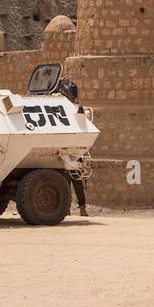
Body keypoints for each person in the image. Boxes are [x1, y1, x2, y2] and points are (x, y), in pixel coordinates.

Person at [65, 80, 88, 217]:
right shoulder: (78, 108)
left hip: (68, 148)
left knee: (69, 180)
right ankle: (81, 208)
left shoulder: (69, 108)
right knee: (75, 181)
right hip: (75, 148)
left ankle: (70, 207)